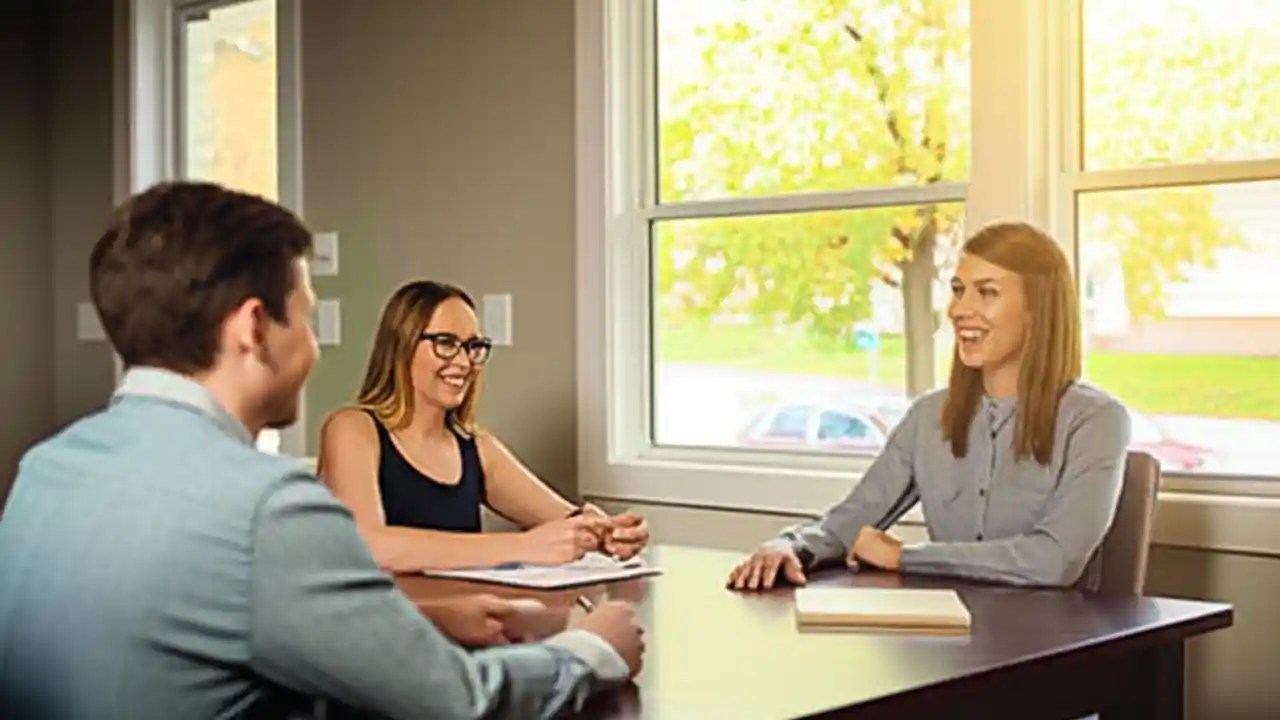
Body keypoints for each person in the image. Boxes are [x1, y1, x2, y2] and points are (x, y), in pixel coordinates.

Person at [0, 182, 644, 719]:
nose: (312, 346)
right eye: (306, 318)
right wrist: (591, 649)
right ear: (254, 328)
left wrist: (435, 621)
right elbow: (458, 703)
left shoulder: (46, 471)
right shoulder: (268, 508)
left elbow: (183, 638)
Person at [727, 221, 1131, 592]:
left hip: (1055, 650)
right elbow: (852, 520)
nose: (958, 310)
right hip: (950, 643)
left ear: (1036, 311)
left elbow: (1055, 560)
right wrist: (788, 546)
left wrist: (904, 557)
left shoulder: (1096, 421)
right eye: (958, 290)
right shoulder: (929, 418)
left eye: (987, 292)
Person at [317, 281, 649, 572]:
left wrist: (608, 532)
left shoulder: (475, 446)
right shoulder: (352, 430)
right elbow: (367, 547)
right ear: (401, 347)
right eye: (445, 343)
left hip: (463, 624)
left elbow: (568, 520)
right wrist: (523, 546)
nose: (463, 362)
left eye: (473, 347)